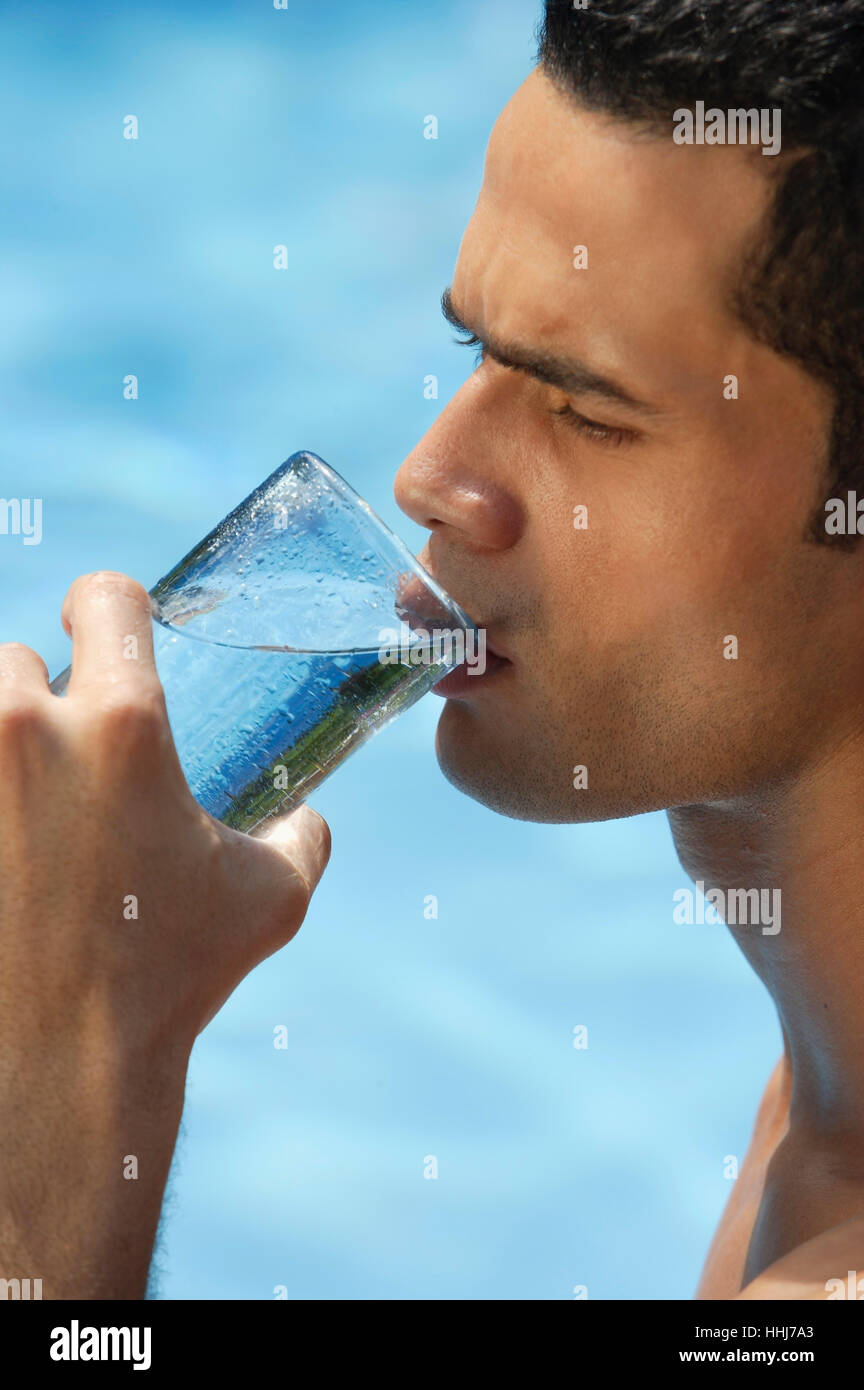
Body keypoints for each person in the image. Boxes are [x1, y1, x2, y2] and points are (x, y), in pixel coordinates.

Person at [3, 0, 864, 1301]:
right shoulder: (819, 1096)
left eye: (586, 411)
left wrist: (47, 1175)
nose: (432, 476)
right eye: (476, 350)